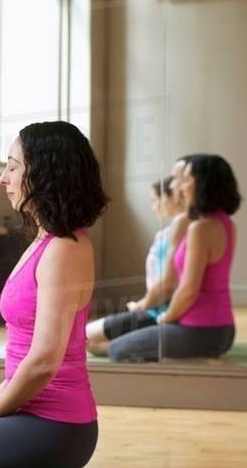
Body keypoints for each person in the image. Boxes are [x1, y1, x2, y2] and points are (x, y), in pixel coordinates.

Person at [0, 121, 115, 468]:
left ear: (45, 174)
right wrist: (2, 393)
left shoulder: (64, 250)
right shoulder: (46, 240)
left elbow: (44, 359)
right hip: (30, 413)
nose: (2, 178)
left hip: (56, 427)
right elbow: (27, 348)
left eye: (13, 167)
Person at [101, 153, 240, 363]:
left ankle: (196, 364)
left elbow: (188, 290)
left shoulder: (200, 228)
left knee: (118, 351)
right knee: (122, 343)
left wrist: (166, 318)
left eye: (186, 179)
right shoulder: (226, 223)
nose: (180, 187)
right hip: (222, 329)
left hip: (200, 329)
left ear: (204, 183)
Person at [86, 158, 189, 357]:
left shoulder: (182, 229)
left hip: (159, 312)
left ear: (170, 197)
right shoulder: (167, 233)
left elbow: (169, 284)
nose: (153, 206)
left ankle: (141, 346)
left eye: (155, 200)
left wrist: (141, 305)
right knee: (88, 339)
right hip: (153, 308)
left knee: (88, 339)